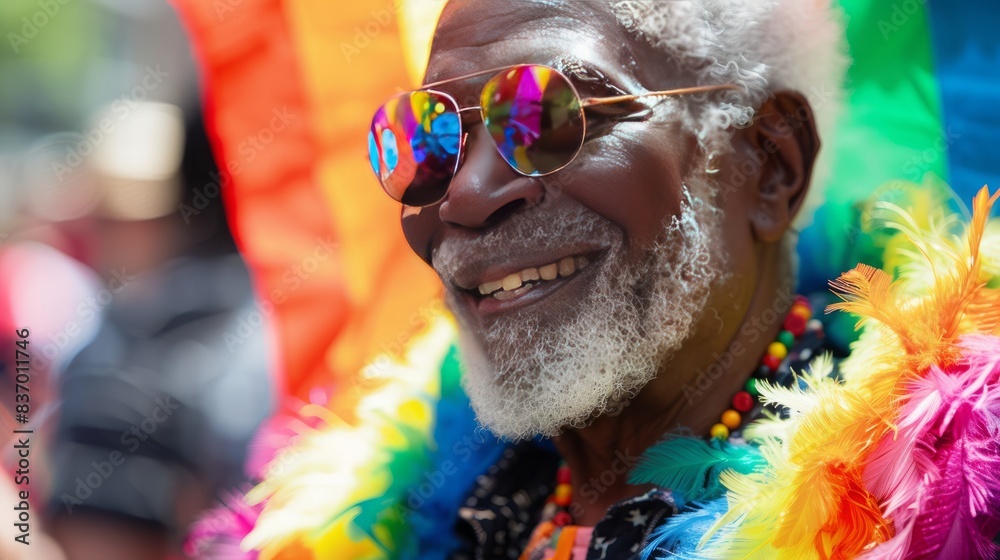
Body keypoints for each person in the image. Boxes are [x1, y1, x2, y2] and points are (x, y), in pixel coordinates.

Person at [190, 1, 1000, 558]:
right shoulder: (410, 514)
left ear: (767, 164)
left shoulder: (953, 507)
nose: (465, 197)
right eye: (426, 137)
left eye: (548, 116)